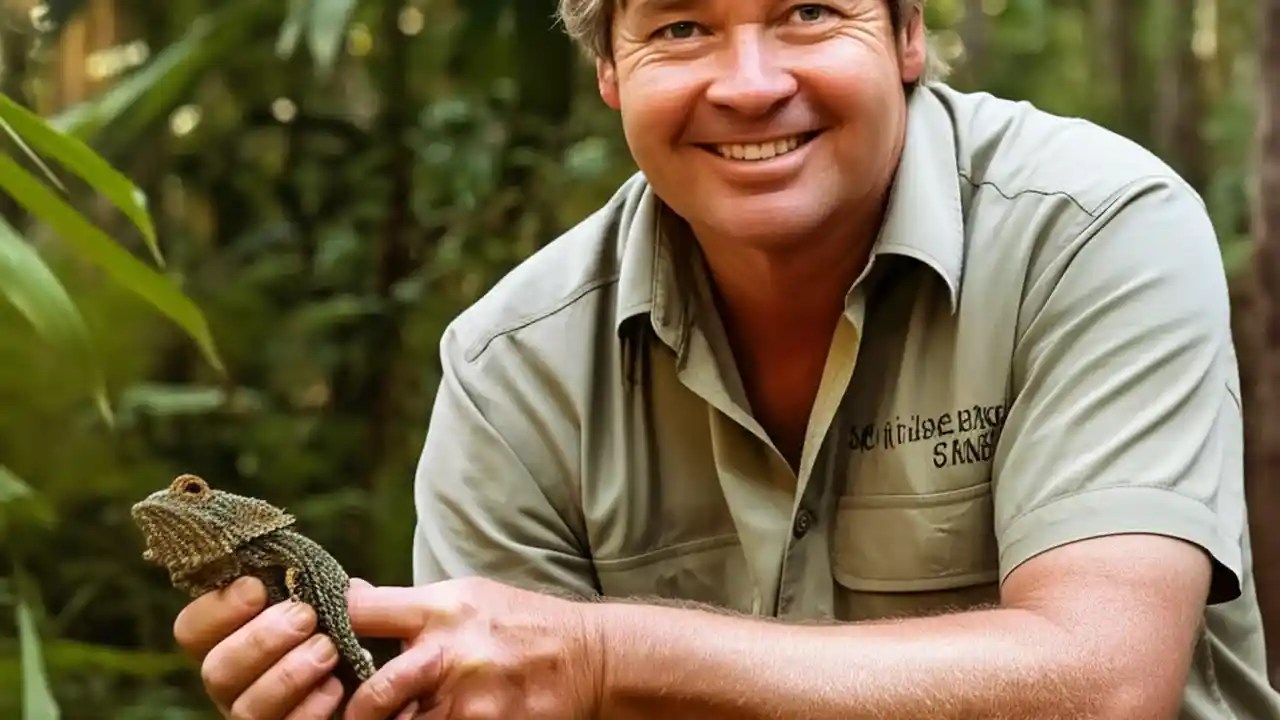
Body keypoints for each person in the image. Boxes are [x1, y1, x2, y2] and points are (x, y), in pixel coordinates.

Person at [170, 0, 1280, 718]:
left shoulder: (1090, 228)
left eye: (806, 12)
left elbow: (1100, 688)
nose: (747, 83)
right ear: (608, 65)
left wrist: (598, 657)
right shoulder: (513, 366)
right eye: (679, 28)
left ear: (904, 36)